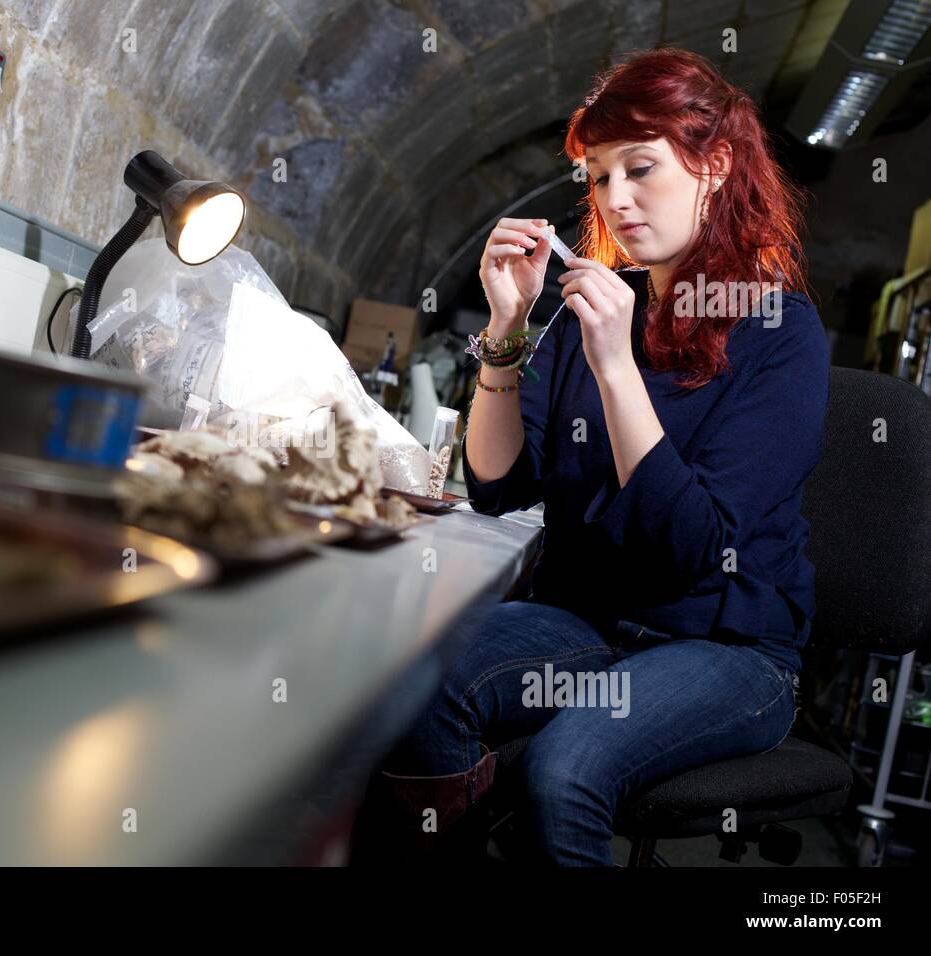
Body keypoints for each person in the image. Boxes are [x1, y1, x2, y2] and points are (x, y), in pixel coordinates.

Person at [355, 48, 828, 866]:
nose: (616, 199)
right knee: (409, 677)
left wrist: (617, 368)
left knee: (565, 769)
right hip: (588, 621)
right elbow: (500, 487)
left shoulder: (779, 331)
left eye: (640, 169)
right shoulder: (588, 313)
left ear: (714, 166)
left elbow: (694, 548)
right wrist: (505, 332)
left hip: (724, 647)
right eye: (599, 176)